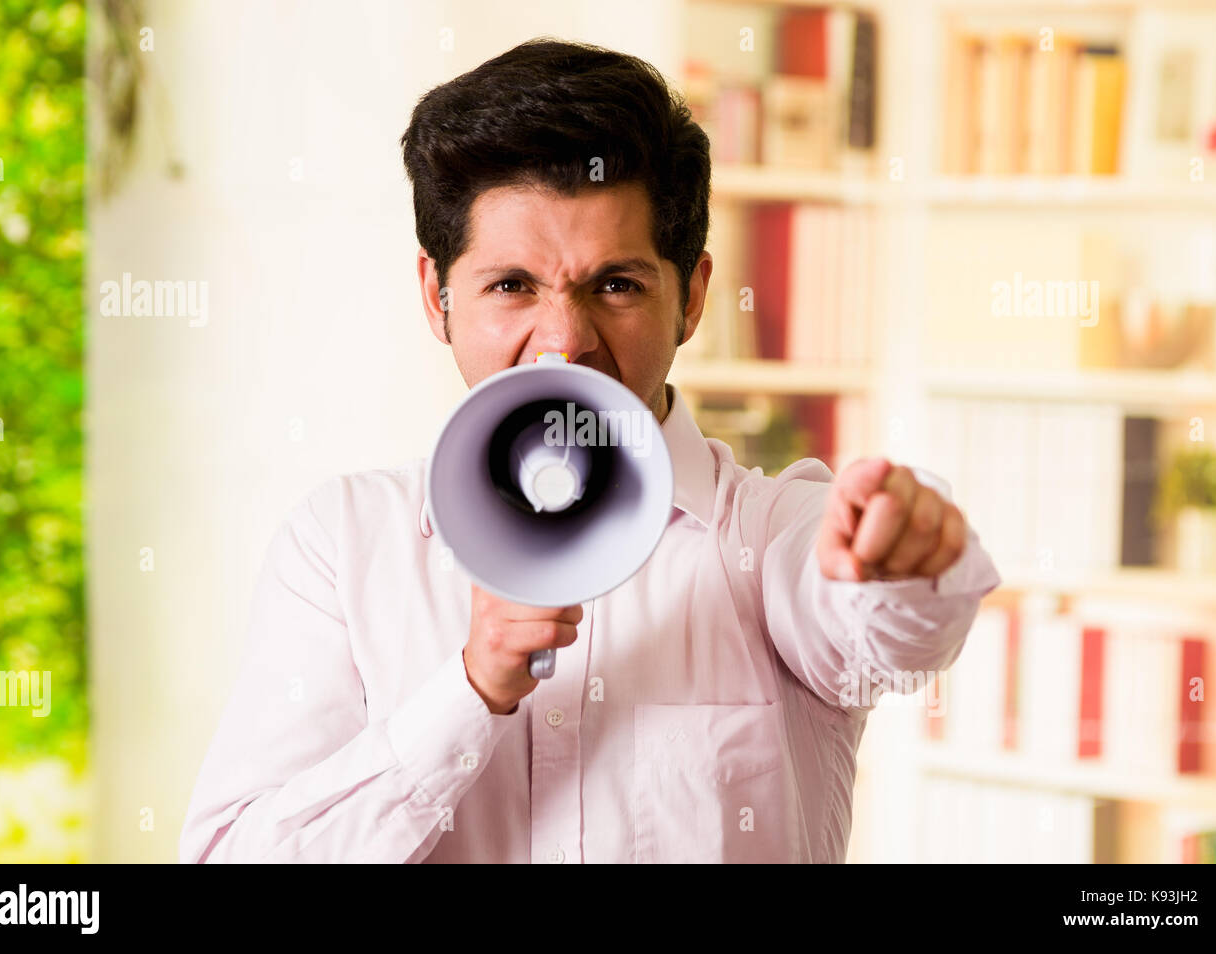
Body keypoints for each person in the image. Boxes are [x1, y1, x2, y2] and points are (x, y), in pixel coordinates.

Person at [179, 37, 1000, 864]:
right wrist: (468, 690)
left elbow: (879, 631)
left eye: (616, 285)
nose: (563, 345)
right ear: (438, 298)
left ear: (693, 297)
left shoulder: (773, 533)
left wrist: (901, 563)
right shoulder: (343, 546)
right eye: (511, 286)